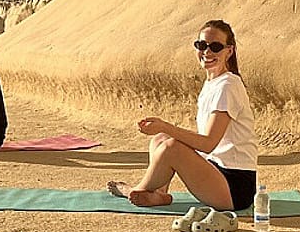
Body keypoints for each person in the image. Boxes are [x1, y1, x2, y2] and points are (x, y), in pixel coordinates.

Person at [107, 20, 258, 211]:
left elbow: (208, 143)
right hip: (215, 170)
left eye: (216, 47)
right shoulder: (214, 83)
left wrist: (165, 126)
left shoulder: (227, 86)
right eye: (202, 45)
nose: (207, 52)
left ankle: (135, 190)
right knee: (161, 139)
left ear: (229, 51)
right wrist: (164, 131)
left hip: (234, 187)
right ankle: (160, 193)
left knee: (171, 146)